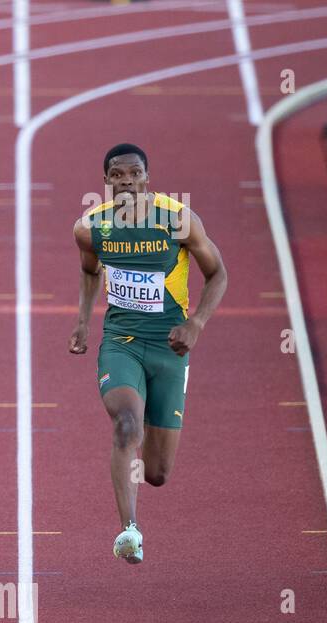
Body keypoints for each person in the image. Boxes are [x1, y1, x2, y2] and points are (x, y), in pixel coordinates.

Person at [69, 143, 228, 563]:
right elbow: (89, 272)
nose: (125, 181)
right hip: (121, 341)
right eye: (116, 175)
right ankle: (129, 530)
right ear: (106, 181)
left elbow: (218, 274)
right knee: (125, 424)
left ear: (146, 178)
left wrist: (195, 324)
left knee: (156, 473)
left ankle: (139, 502)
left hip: (170, 347)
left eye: (133, 174)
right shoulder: (91, 228)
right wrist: (84, 322)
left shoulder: (177, 220)